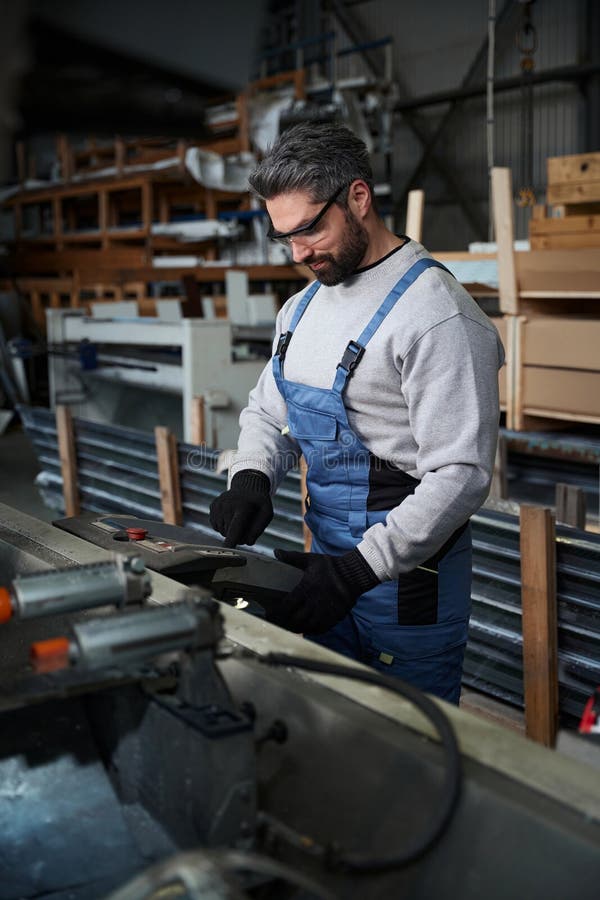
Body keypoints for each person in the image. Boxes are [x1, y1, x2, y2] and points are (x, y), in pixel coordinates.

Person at [209, 122, 504, 704]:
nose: (298, 254)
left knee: (414, 746)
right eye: (284, 238)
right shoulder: (301, 308)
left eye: (309, 230)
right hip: (325, 572)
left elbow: (461, 475)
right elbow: (270, 411)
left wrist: (356, 572)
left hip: (408, 584)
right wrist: (251, 476)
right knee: (337, 725)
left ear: (359, 198)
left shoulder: (437, 316)